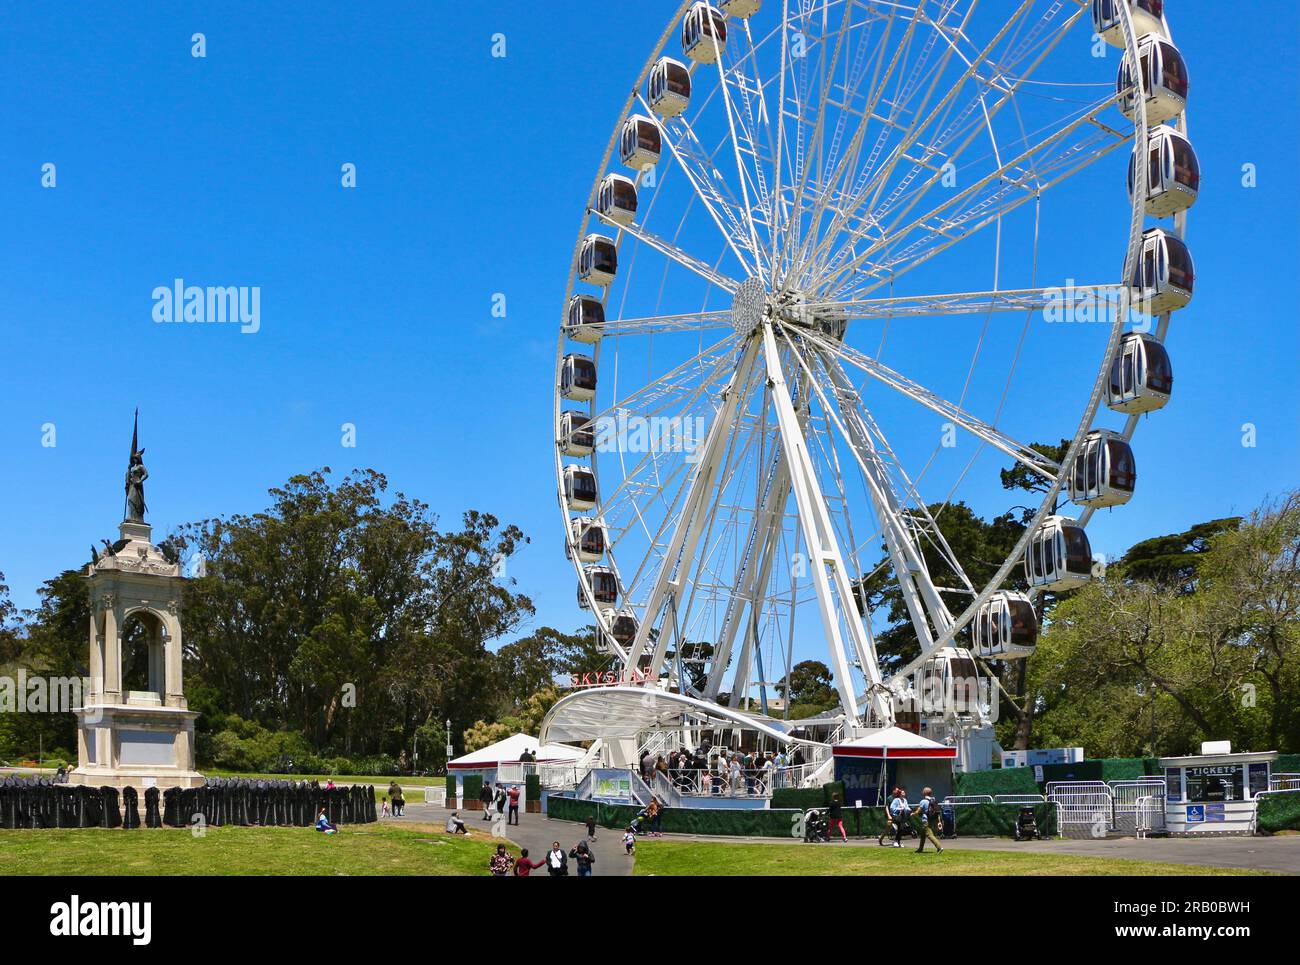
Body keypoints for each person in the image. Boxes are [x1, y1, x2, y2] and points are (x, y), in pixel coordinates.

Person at [912, 787, 945, 854]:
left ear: (924, 793)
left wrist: (913, 813)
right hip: (931, 819)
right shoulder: (933, 800)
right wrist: (939, 821)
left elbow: (918, 811)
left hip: (925, 820)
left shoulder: (923, 801)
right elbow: (937, 811)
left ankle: (939, 847)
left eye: (923, 791)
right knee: (923, 835)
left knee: (929, 835)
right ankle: (920, 849)